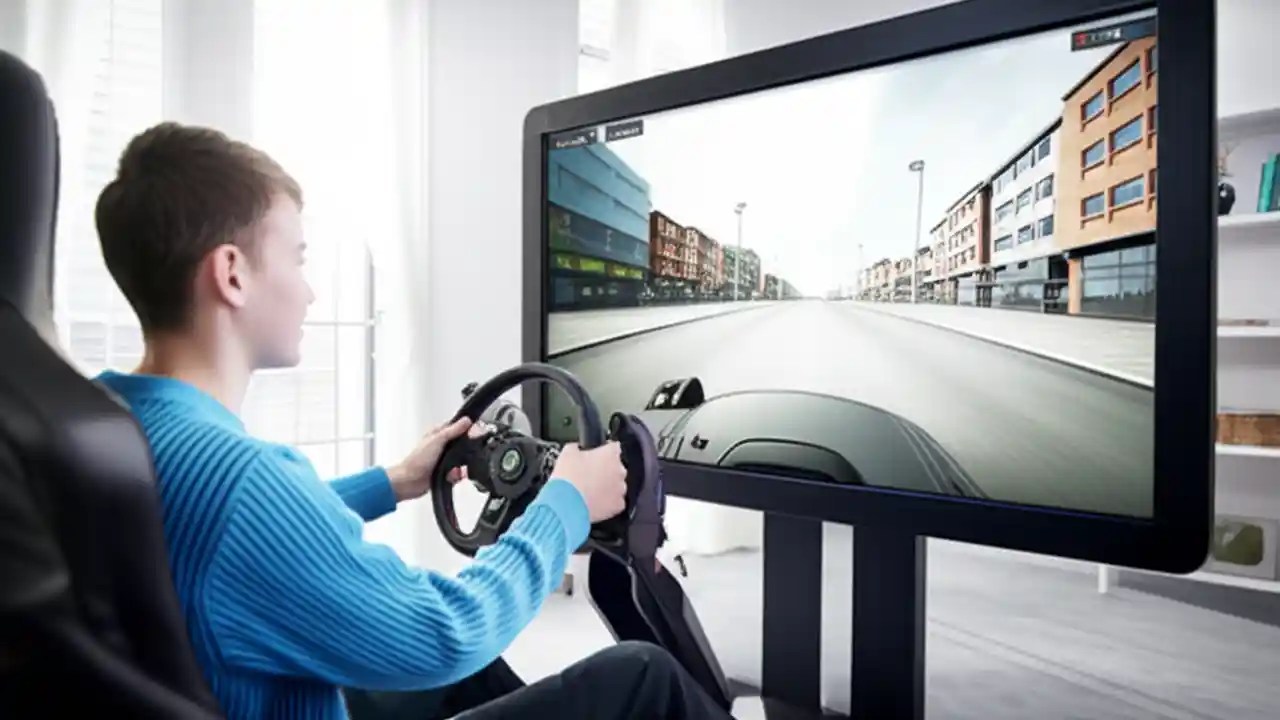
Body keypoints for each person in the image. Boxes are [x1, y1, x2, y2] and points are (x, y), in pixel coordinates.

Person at [91, 122, 733, 720]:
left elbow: (221, 537)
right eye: (297, 257)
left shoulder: (106, 418)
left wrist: (394, 481)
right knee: (644, 677)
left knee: (471, 680)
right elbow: (444, 633)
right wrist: (566, 503)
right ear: (232, 274)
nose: (309, 290)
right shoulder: (246, 483)